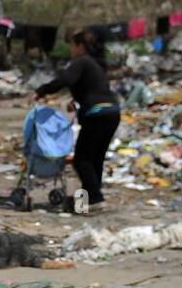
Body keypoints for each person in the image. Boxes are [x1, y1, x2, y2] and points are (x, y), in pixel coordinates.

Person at [33, 29, 120, 210]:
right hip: (112, 112)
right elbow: (94, 89)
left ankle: (95, 198)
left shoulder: (81, 62)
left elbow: (65, 79)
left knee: (81, 159)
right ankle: (88, 201)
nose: (71, 49)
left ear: (80, 46)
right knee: (95, 159)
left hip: (96, 114)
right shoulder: (97, 65)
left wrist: (42, 90)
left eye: (72, 45)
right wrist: (78, 102)